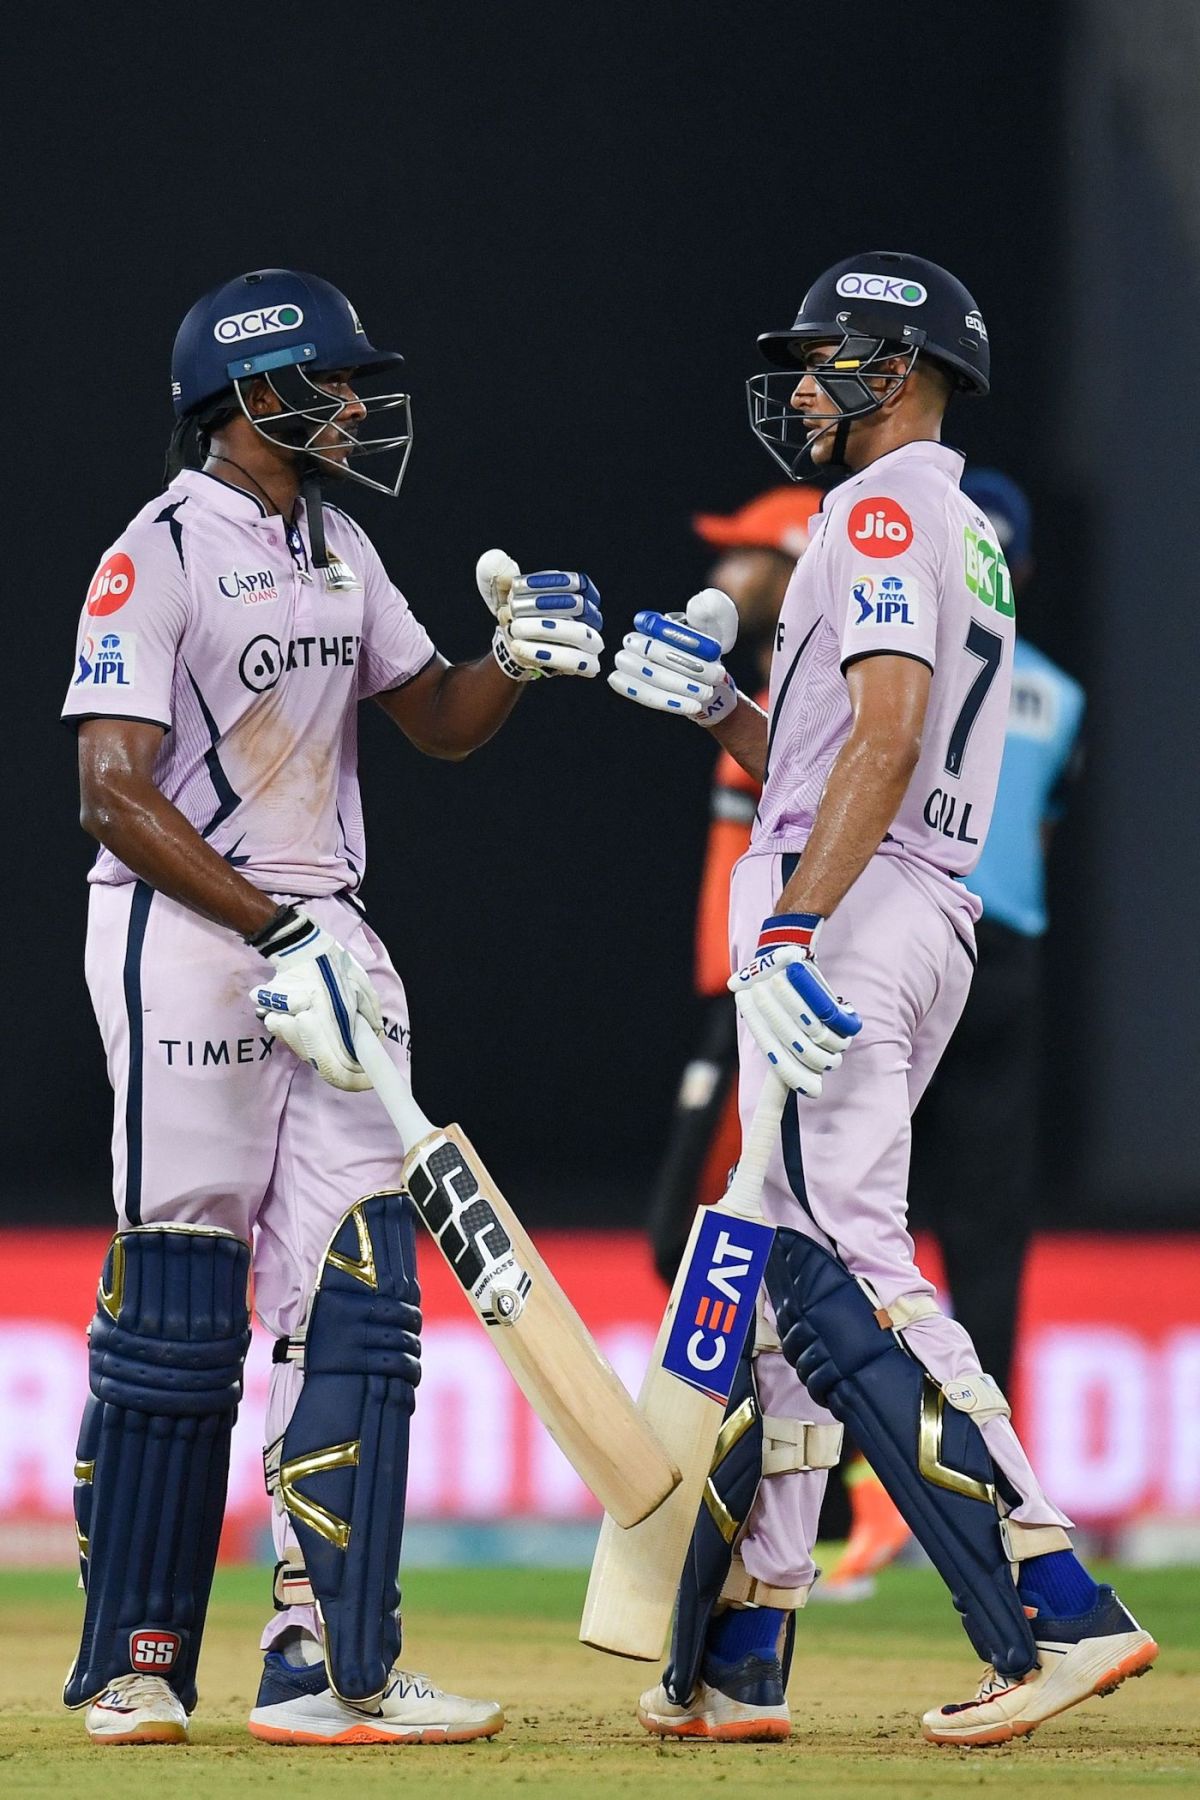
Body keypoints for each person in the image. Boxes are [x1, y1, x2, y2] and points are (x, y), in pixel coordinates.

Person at [608, 249, 1156, 1746]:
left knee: (844, 1262)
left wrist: (787, 928)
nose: (798, 386)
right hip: (906, 904)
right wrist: (715, 705)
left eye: (823, 356)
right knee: (793, 1271)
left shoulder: (882, 504)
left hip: (855, 911)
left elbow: (889, 742)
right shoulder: (957, 523)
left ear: (898, 366)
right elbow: (825, 746)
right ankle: (749, 1652)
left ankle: (1050, 1604)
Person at [60, 268, 604, 1747]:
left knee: (360, 1295)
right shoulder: (158, 548)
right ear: (249, 400)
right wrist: (264, 924)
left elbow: (430, 717)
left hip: (331, 940)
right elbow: (110, 792)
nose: (361, 405)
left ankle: (330, 1664)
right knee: (183, 1304)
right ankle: (138, 1662)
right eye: (335, 382)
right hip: (190, 935)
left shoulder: (343, 543)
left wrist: (519, 665)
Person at [824, 468, 1087, 1598]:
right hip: (1002, 952)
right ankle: (995, 1498)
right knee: (986, 1242)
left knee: (846, 1225)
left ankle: (856, 1502)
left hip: (896, 926)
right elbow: (1050, 812)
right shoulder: (1064, 694)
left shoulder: (896, 646)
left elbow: (872, 758)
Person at [648, 487, 824, 1285]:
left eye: (746, 554)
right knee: (698, 1238)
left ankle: (768, 1399)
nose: (723, 571)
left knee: (703, 1239)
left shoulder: (822, 692)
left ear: (793, 569)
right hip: (737, 995)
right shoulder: (765, 687)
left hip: (770, 996)